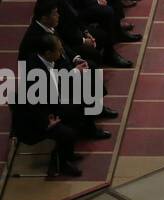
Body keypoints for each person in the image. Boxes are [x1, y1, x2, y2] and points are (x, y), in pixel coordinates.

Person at [11, 33, 109, 177]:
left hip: (50, 105)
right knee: (66, 132)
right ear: (48, 53)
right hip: (36, 119)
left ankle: (68, 154)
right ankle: (59, 165)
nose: (62, 52)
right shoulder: (35, 71)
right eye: (58, 50)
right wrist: (48, 122)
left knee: (77, 107)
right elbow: (32, 105)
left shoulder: (47, 60)